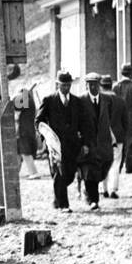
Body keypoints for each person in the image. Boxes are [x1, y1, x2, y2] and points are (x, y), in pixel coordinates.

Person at [35, 71, 95, 212]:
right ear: (57, 85)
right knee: (59, 173)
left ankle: (57, 199)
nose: (66, 88)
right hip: (55, 145)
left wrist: (85, 143)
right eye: (63, 85)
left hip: (73, 145)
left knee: (69, 175)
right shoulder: (49, 100)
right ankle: (63, 205)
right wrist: (46, 136)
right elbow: (39, 121)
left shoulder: (77, 102)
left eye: (68, 85)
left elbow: (84, 124)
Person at [79, 72, 115, 210]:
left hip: (104, 142)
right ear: (86, 85)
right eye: (90, 84)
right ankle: (93, 200)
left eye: (95, 84)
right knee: (90, 171)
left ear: (99, 85)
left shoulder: (107, 100)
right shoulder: (81, 100)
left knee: (105, 166)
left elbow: (108, 118)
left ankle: (88, 191)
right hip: (88, 142)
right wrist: (82, 141)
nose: (93, 87)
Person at [100, 74, 127, 199]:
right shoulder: (120, 101)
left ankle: (103, 189)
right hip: (118, 135)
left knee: (102, 161)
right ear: (111, 86)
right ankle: (113, 189)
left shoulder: (99, 100)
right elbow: (125, 121)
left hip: (102, 136)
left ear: (101, 86)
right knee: (115, 163)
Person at [13, 86, 40, 178]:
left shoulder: (25, 99)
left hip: (24, 131)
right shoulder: (29, 100)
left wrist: (11, 98)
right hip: (26, 130)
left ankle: (33, 173)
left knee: (25, 153)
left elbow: (14, 105)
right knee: (18, 152)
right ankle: (14, 172)